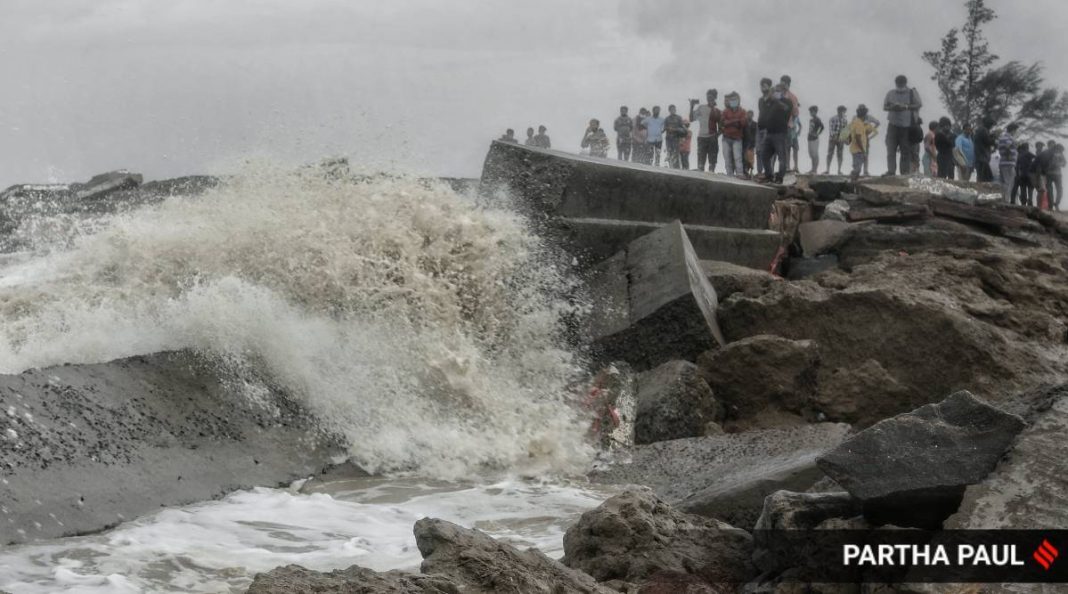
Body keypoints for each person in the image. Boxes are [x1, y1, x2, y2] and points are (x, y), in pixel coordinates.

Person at [883, 75, 921, 176]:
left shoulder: (912, 93)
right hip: (892, 125)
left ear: (905, 83)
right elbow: (885, 107)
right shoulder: (890, 93)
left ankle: (904, 172)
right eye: (898, 84)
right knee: (891, 149)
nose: (899, 86)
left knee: (905, 150)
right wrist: (893, 107)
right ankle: (891, 171)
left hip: (906, 126)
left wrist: (906, 106)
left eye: (901, 84)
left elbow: (919, 104)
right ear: (896, 84)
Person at [758, 81, 792, 183]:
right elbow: (763, 111)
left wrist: (776, 100)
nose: (776, 92)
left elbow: (785, 108)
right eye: (775, 91)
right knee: (764, 156)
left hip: (780, 134)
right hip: (769, 133)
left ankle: (779, 178)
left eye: (778, 91)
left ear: (783, 92)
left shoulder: (787, 102)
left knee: (782, 158)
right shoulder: (771, 102)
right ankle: (769, 175)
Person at [689, 89, 721, 172]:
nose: (709, 97)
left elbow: (722, 127)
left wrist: (716, 136)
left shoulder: (717, 111)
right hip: (701, 137)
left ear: (715, 97)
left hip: (712, 138)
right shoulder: (701, 107)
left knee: (712, 164)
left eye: (711, 95)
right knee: (700, 164)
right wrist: (691, 106)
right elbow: (691, 119)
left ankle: (711, 177)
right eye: (708, 95)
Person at [847, 104, 877, 181]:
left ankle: (852, 181)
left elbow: (849, 132)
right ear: (865, 114)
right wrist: (863, 150)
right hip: (858, 150)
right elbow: (857, 138)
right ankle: (850, 181)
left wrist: (848, 140)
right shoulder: (859, 123)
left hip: (855, 149)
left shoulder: (856, 122)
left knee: (857, 168)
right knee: (857, 169)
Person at [720, 92, 747, 177]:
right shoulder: (725, 111)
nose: (733, 101)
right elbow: (723, 123)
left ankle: (739, 174)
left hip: (737, 139)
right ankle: (730, 176)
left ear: (739, 100)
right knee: (727, 158)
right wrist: (735, 121)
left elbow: (742, 123)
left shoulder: (743, 111)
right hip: (726, 138)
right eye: (731, 100)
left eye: (735, 99)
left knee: (737, 158)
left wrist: (729, 122)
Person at [996, 123, 1019, 203]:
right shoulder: (1008, 137)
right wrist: (1009, 154)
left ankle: (1002, 198)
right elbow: (1007, 146)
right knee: (1008, 182)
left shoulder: (1002, 137)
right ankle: (1005, 200)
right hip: (1008, 163)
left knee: (1003, 182)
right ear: (1013, 130)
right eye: (1015, 131)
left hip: (1003, 162)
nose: (1015, 132)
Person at [825, 105, 848, 175]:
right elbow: (831, 129)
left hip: (841, 139)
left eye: (844, 111)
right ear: (838, 111)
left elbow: (845, 130)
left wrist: (844, 138)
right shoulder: (833, 118)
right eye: (842, 111)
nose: (843, 113)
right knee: (830, 154)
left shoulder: (845, 120)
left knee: (840, 154)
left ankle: (839, 170)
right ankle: (827, 169)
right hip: (833, 138)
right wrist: (834, 136)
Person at [973, 117, 996, 182]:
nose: (992, 126)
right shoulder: (983, 130)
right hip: (982, 158)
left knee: (982, 177)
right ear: (988, 124)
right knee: (985, 178)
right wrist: (994, 138)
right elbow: (988, 141)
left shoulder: (980, 130)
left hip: (980, 157)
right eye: (991, 124)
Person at [806, 106, 824, 174]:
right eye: (810, 112)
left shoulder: (817, 119)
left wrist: (817, 133)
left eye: (812, 111)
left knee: (815, 154)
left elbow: (822, 127)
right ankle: (812, 168)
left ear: (815, 112)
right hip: (809, 138)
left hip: (814, 139)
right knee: (811, 154)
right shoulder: (811, 120)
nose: (810, 113)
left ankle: (815, 169)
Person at [744, 110, 757, 178]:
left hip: (752, 144)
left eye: (751, 114)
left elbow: (756, 134)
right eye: (748, 114)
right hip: (745, 144)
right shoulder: (744, 123)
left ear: (753, 115)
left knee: (751, 159)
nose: (750, 115)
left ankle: (751, 172)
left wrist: (754, 143)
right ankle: (745, 172)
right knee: (745, 159)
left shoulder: (755, 124)